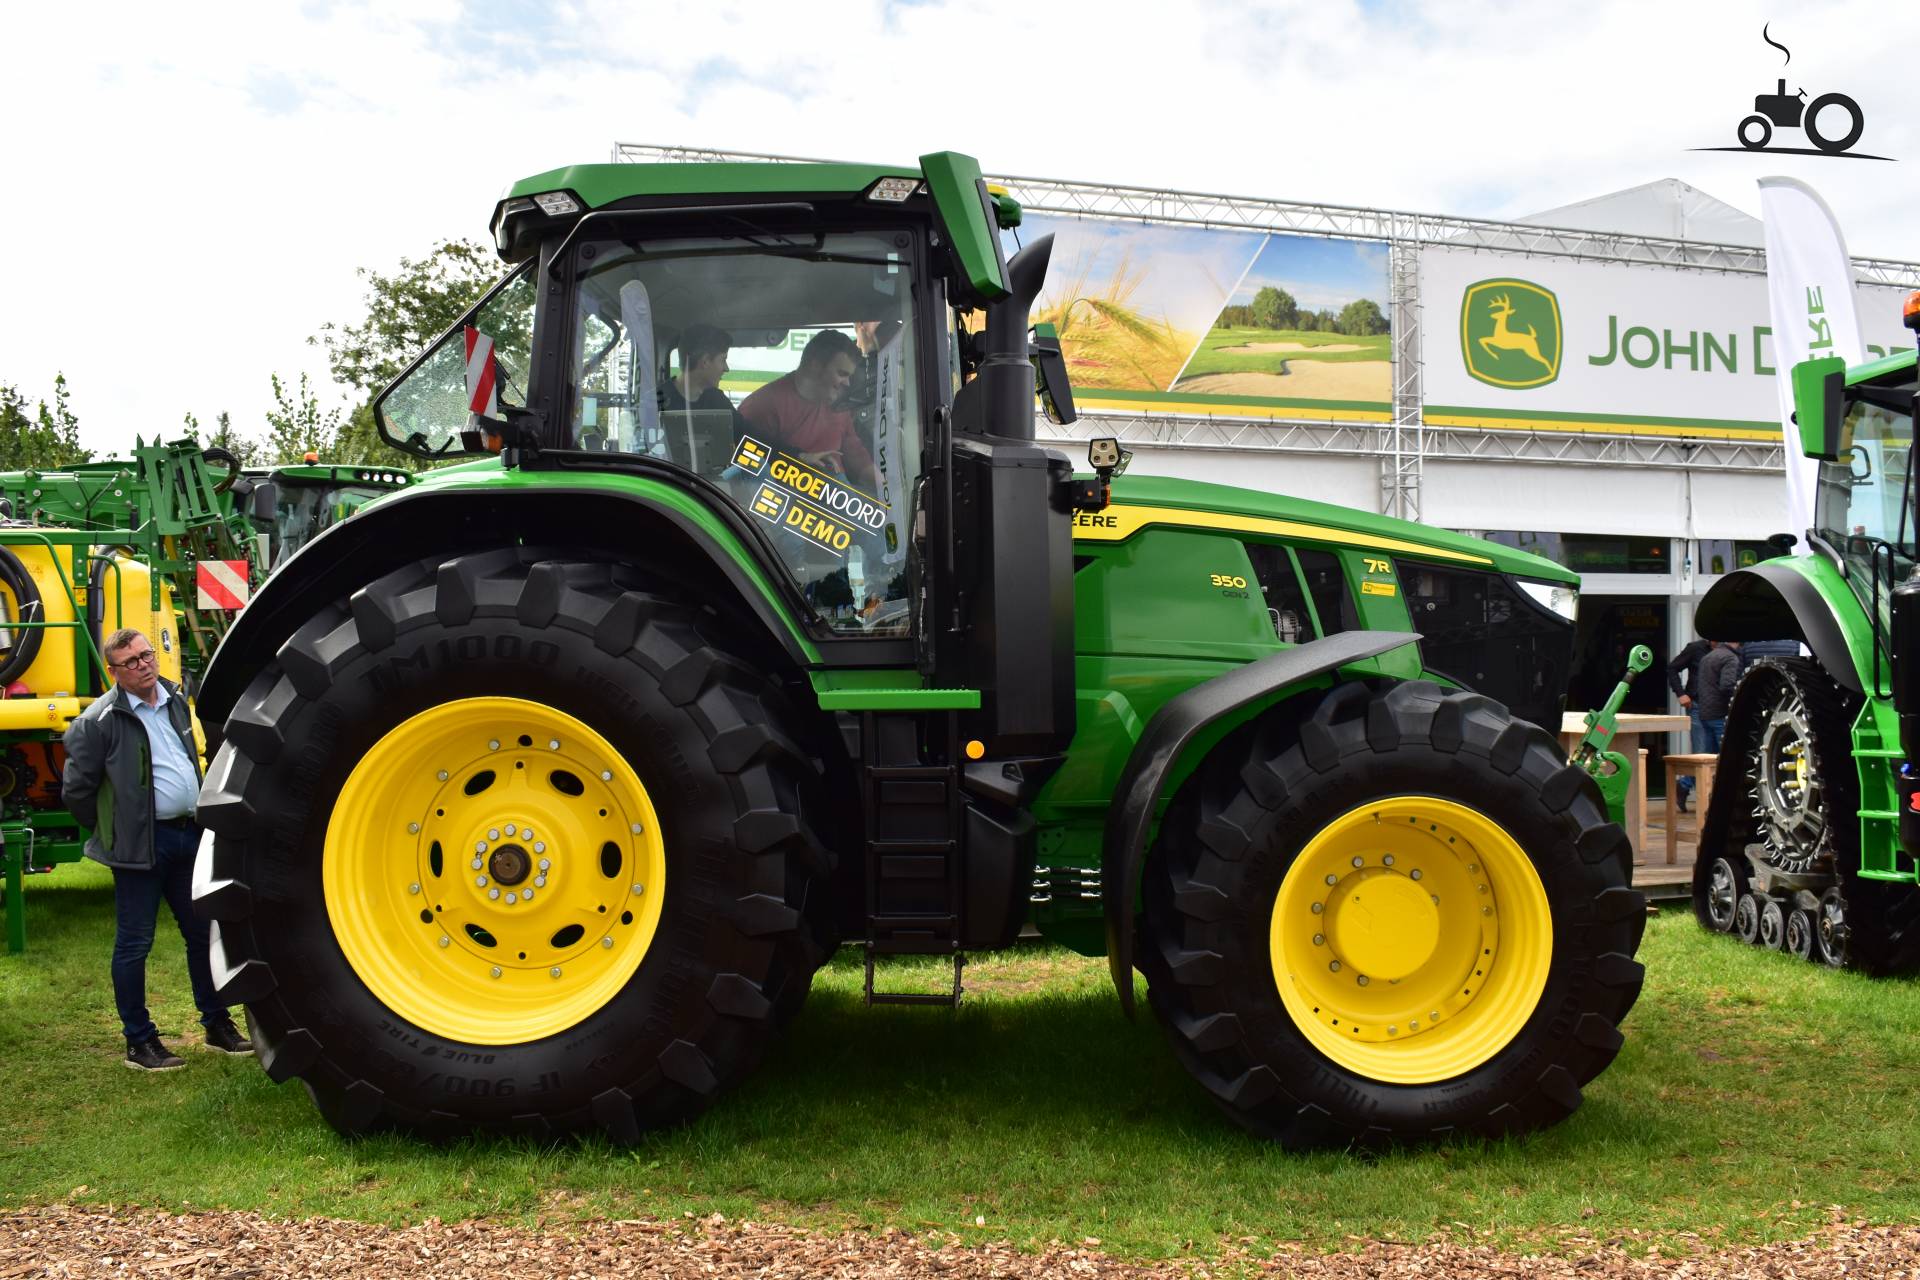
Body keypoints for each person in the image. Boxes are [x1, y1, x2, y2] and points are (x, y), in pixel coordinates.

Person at [62, 628, 252, 1071]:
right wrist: (117, 830)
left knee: (202, 934)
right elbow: (77, 791)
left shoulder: (175, 701)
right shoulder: (98, 721)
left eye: (147, 654)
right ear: (113, 672)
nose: (144, 664)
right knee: (134, 943)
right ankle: (140, 1041)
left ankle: (217, 1025)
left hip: (189, 835)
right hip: (140, 847)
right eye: (131, 661)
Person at [740, 329, 874, 487]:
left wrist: (891, 487)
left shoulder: (838, 405)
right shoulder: (763, 405)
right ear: (815, 366)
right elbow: (748, 469)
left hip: (837, 497)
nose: (847, 383)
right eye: (841, 374)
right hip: (790, 500)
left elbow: (857, 456)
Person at [660, 323, 744, 426]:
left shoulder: (717, 400)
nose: (726, 369)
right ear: (705, 362)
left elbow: (745, 436)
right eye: (723, 360)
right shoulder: (655, 404)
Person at [1667, 636, 1713, 810]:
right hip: (1697, 704)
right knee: (1701, 751)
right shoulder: (1695, 648)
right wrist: (1680, 693)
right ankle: (1690, 791)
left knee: (1715, 752)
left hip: (1720, 707)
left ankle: (1685, 785)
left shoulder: (1732, 648)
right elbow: (1672, 668)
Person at [1692, 638, 1743, 774]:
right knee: (1727, 757)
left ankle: (1685, 784)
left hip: (1705, 712)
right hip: (1721, 713)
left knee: (1707, 756)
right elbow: (1727, 685)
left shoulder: (1707, 657)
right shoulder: (1730, 658)